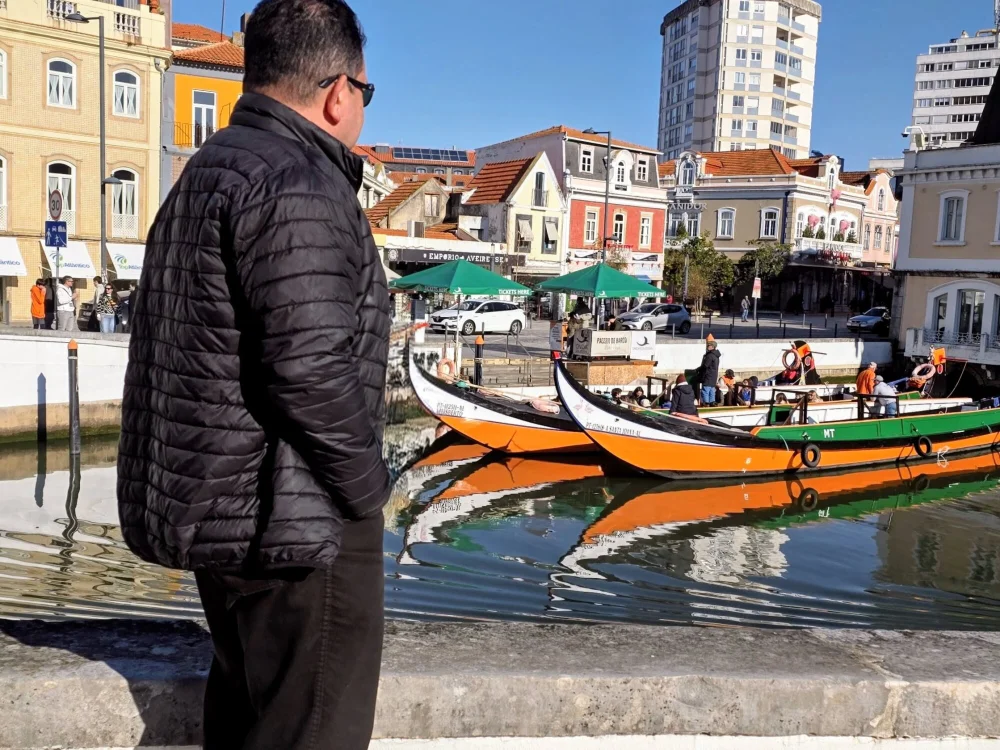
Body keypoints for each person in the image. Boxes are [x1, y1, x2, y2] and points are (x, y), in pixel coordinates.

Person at [117, 2, 391, 748]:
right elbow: (308, 368)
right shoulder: (297, 181)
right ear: (338, 92)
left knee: (244, 726)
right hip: (299, 527)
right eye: (366, 92)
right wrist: (369, 492)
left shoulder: (207, 172)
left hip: (226, 522)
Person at [697, 336, 721, 405]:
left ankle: (706, 403)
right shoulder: (716, 355)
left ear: (712, 347)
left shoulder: (710, 355)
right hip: (714, 376)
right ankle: (712, 402)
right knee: (712, 390)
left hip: (708, 376)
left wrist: (698, 369)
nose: (707, 346)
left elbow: (705, 366)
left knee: (706, 390)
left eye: (709, 345)